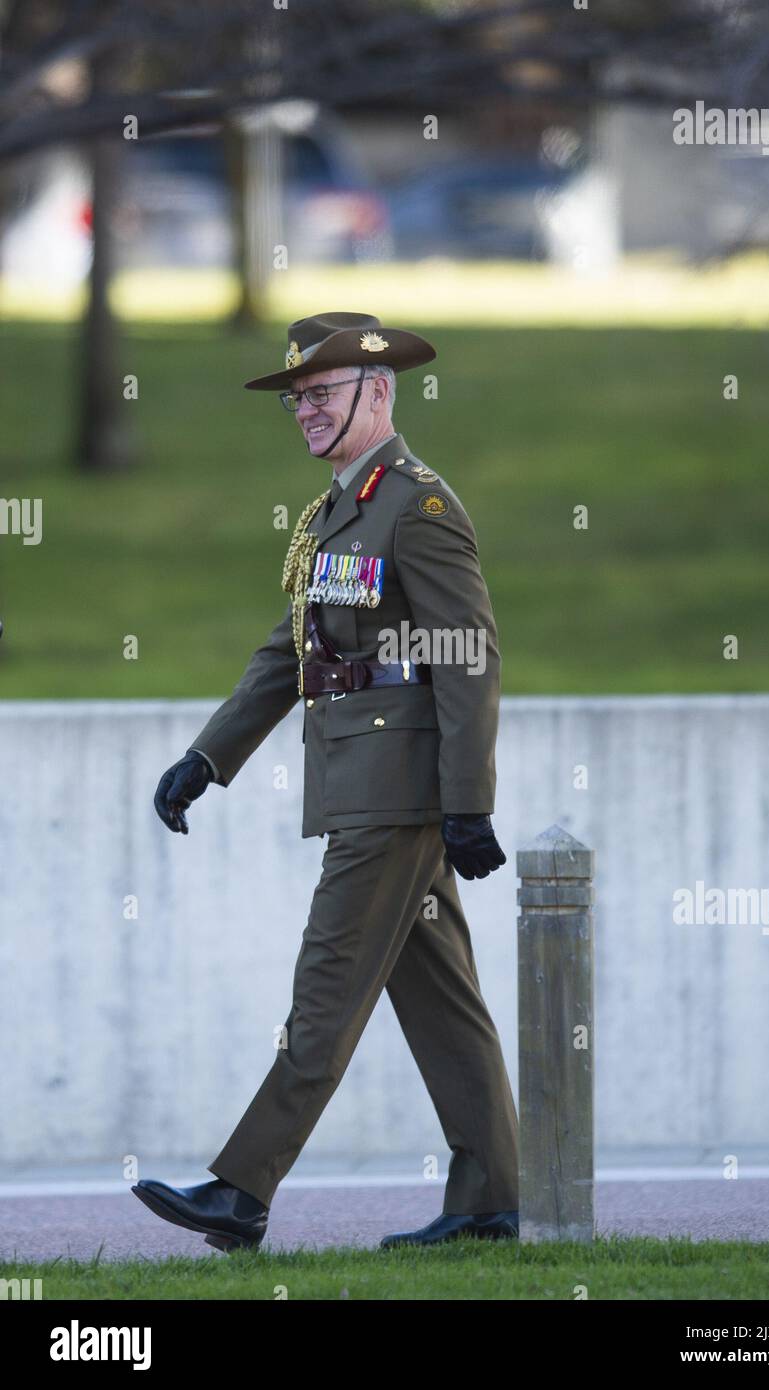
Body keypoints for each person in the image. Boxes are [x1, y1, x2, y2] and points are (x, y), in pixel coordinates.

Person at [133, 311, 518, 1252]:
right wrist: (209, 757)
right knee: (442, 1002)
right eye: (296, 398)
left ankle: (241, 1190)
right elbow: (291, 650)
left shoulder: (416, 505)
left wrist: (468, 801)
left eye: (320, 394)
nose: (304, 410)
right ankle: (489, 1204)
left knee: (327, 988)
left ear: (376, 392)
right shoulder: (340, 509)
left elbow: (467, 658)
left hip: (397, 793)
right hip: (365, 782)